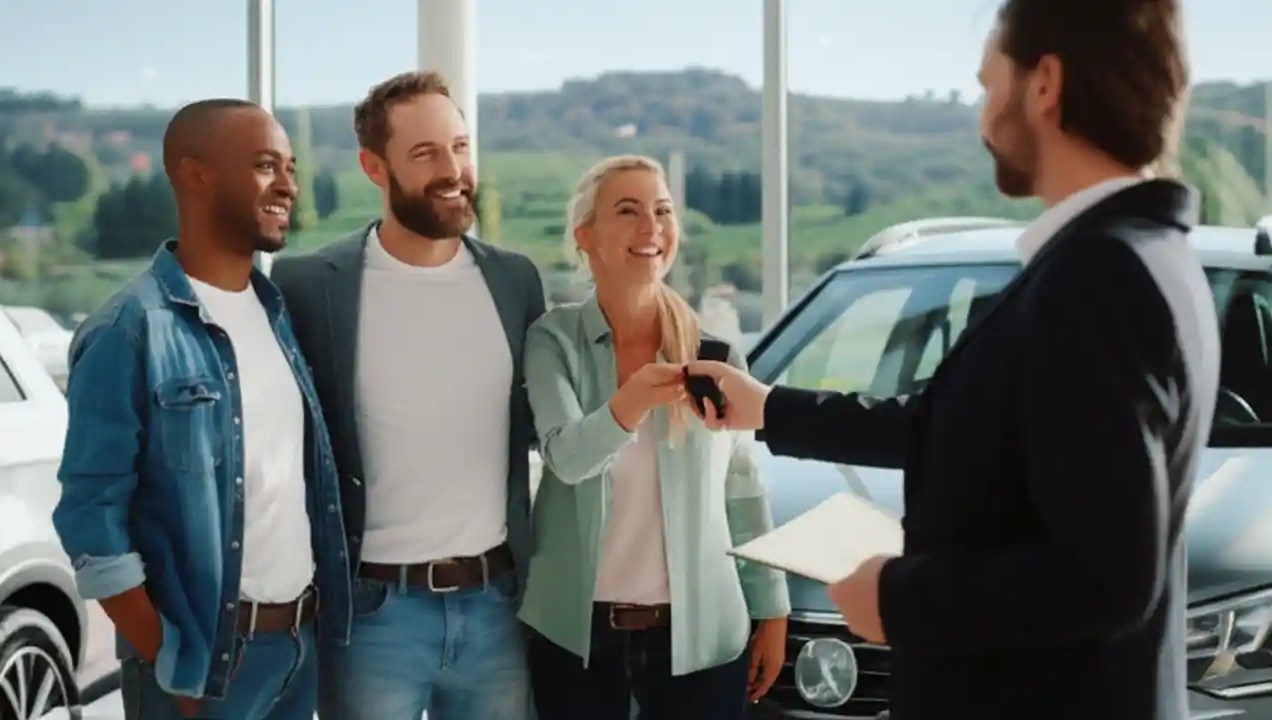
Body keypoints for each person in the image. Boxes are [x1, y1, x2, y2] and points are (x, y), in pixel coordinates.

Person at [687, 0, 1217, 718]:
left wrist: (894, 596)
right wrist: (769, 408)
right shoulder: (1144, 256)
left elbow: (1105, 578)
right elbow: (972, 437)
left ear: (1044, 84)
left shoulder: (1099, 278)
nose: (981, 118)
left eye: (987, 83)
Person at [52, 99, 351, 719]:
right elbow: (89, 518)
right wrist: (173, 664)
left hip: (299, 651)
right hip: (206, 669)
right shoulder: (129, 328)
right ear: (196, 175)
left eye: (290, 167)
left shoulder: (277, 314)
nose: (289, 185)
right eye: (267, 165)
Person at [271, 71, 545, 720]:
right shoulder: (310, 287)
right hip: (373, 615)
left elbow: (545, 428)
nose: (453, 169)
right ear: (374, 167)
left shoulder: (514, 281)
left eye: (460, 146)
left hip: (497, 607)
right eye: (425, 154)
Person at [520, 154, 790, 720]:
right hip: (577, 639)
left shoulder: (715, 354)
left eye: (663, 211)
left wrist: (772, 607)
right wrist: (633, 399)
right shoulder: (554, 341)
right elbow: (567, 457)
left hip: (703, 641)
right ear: (586, 237)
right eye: (629, 210)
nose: (652, 227)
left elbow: (741, 488)